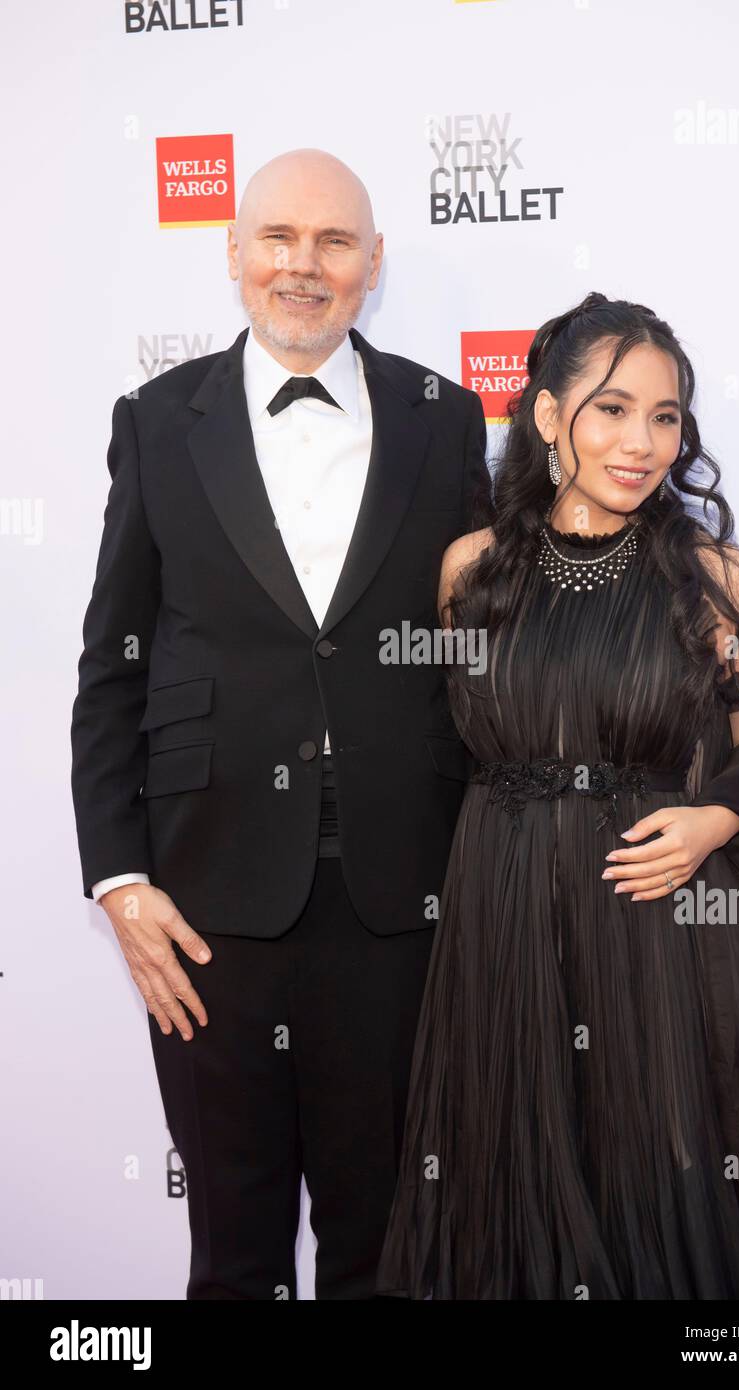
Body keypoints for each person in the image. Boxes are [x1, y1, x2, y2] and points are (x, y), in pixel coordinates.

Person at [375, 291, 739, 1300]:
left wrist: (713, 817)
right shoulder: (470, 574)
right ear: (549, 417)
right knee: (508, 1172)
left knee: (657, 1179)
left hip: (650, 919)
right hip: (499, 913)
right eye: (611, 408)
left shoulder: (715, 577)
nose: (640, 441)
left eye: (664, 415)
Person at [70, 148, 491, 1300]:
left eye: (333, 242)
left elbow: (479, 650)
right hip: (207, 911)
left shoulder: (443, 419)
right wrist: (118, 876)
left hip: (399, 906)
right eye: (277, 238)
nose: (302, 266)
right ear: (234, 254)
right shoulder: (159, 420)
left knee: (386, 1246)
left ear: (372, 266)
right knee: (235, 1251)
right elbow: (113, 665)